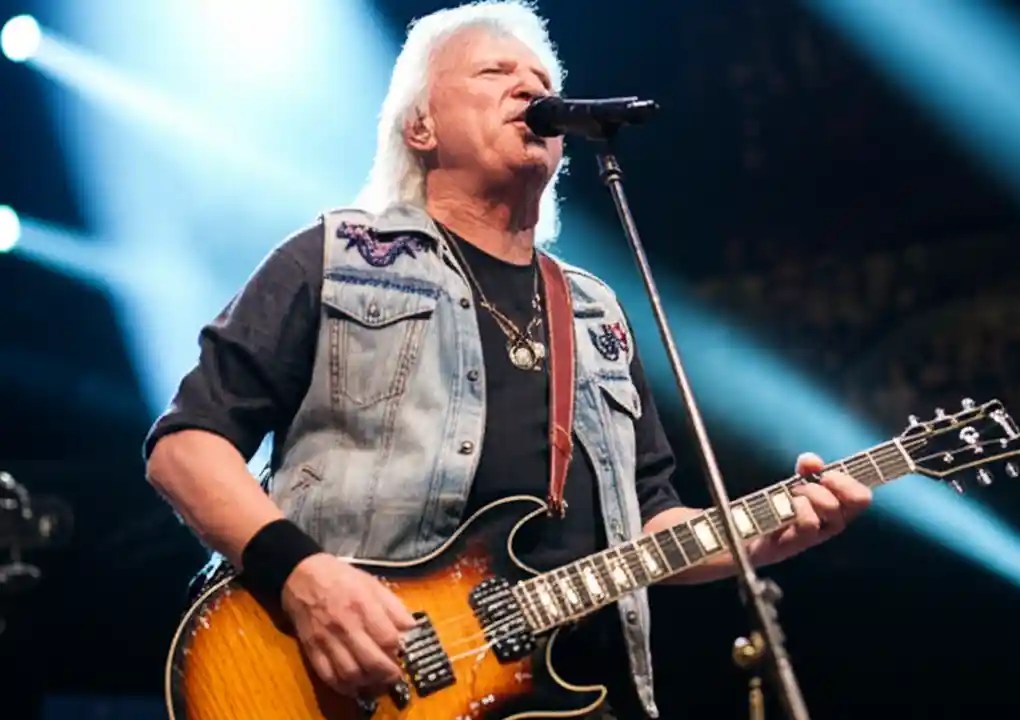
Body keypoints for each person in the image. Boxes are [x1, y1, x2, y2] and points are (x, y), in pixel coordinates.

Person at [142, 2, 872, 718]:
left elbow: (645, 525)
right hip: (354, 684)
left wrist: (764, 533)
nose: (531, 89)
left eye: (541, 76)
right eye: (496, 71)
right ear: (420, 125)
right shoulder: (337, 259)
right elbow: (185, 448)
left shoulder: (595, 312)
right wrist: (300, 573)